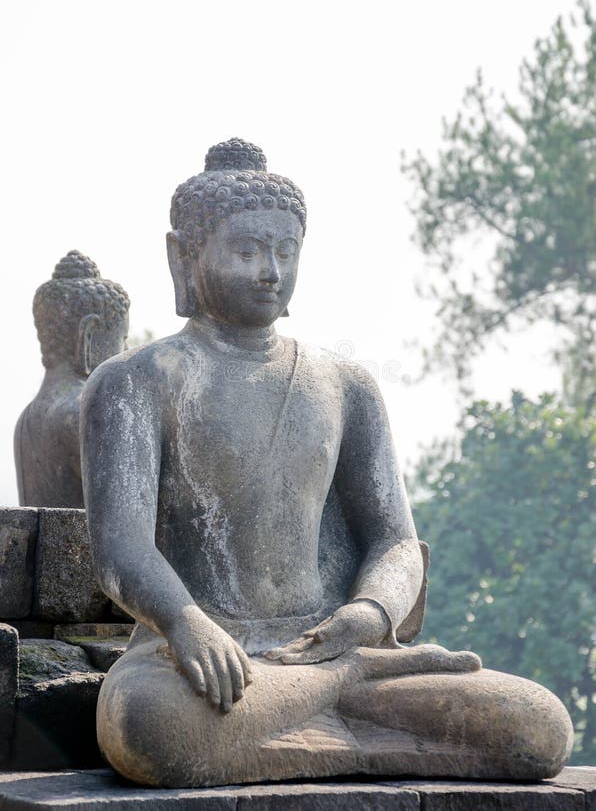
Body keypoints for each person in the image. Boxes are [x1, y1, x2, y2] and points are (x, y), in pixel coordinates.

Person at [81, 139, 573, 787]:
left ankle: (321, 709)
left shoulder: (345, 385)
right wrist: (184, 621)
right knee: (146, 725)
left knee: (537, 726)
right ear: (183, 257)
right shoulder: (134, 383)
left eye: (286, 252)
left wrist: (369, 615)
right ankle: (344, 707)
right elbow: (121, 551)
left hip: (331, 646)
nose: (270, 271)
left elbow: (396, 542)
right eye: (246, 251)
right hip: (202, 662)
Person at [15, 250, 129, 508]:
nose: (125, 350)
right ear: (88, 336)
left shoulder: (27, 418)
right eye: (122, 340)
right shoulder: (86, 413)